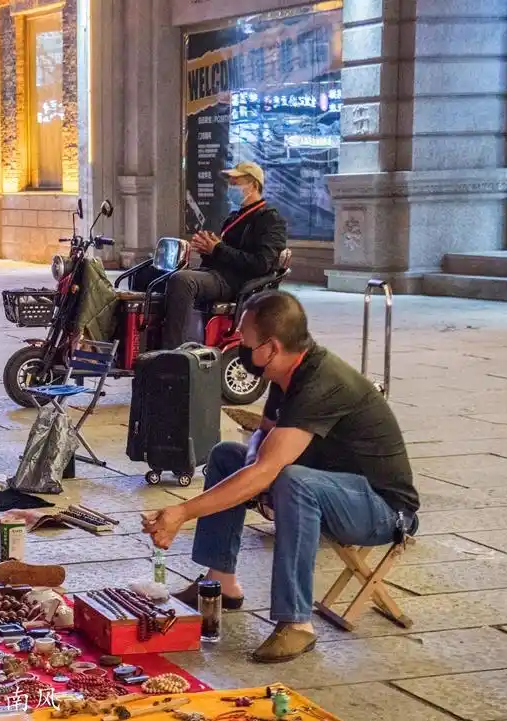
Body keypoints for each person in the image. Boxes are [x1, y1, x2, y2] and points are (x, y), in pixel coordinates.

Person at [143, 290, 419, 664]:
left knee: (293, 480)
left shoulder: (323, 381)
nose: (239, 347)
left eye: (245, 341)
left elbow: (269, 471)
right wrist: (257, 465)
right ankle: (221, 581)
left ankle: (297, 623)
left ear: (271, 347)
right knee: (228, 456)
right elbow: (264, 435)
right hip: (329, 482)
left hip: (382, 509)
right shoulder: (286, 372)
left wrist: (181, 512)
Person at [162, 161, 287, 349]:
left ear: (253, 185)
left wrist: (218, 249)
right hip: (219, 275)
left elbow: (261, 263)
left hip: (240, 282)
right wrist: (207, 249)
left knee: (183, 280)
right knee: (156, 273)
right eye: (230, 183)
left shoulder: (269, 219)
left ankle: (171, 351)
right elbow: (223, 254)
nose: (231, 187)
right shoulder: (234, 217)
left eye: (236, 182)